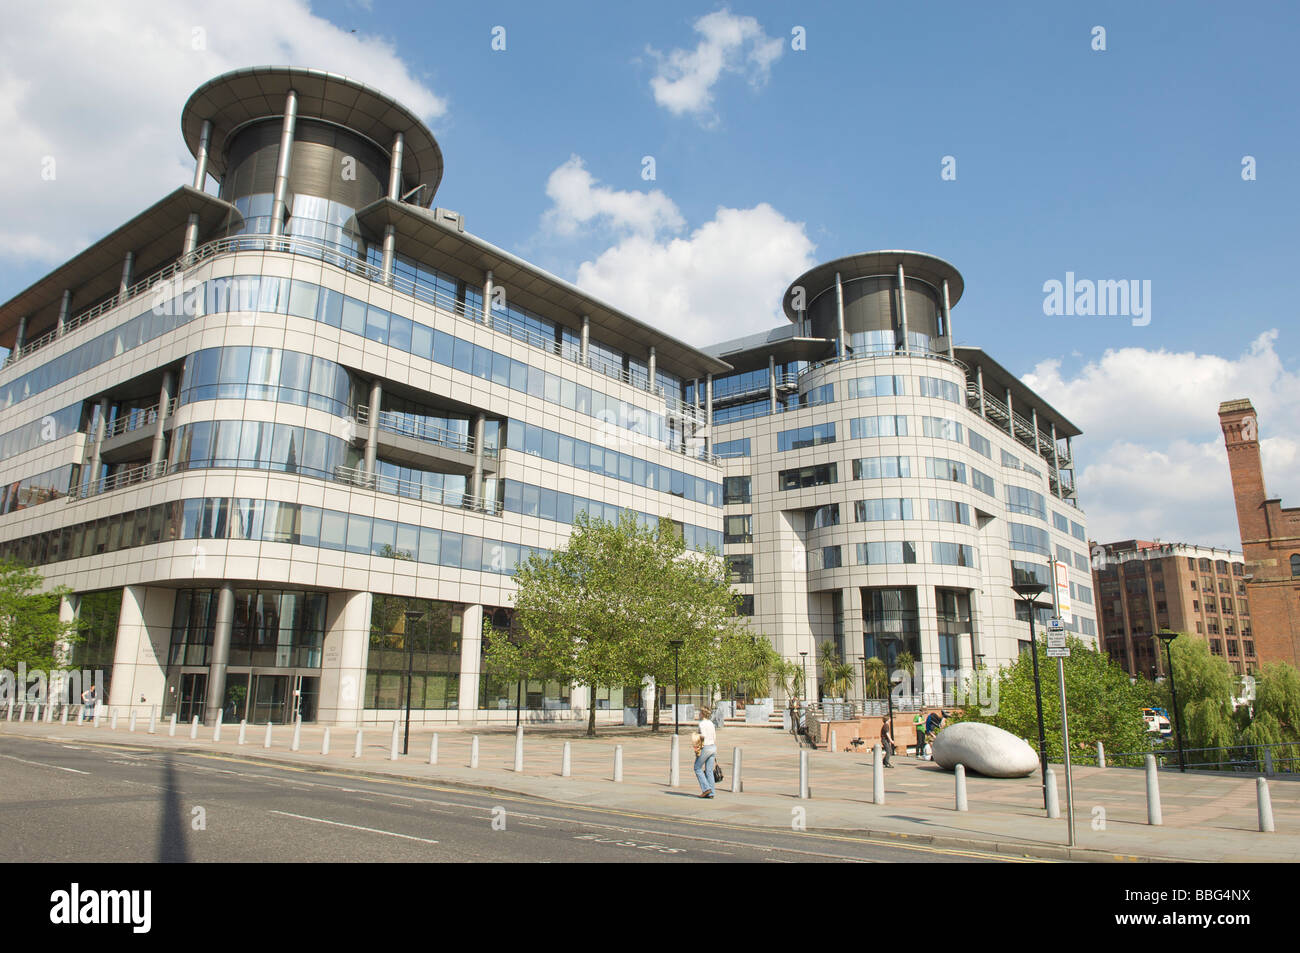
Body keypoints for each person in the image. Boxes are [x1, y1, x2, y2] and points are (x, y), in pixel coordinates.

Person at [693, 705, 718, 798]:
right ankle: (711, 793)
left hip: (705, 747)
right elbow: (714, 736)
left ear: (703, 714)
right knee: (709, 771)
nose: (699, 714)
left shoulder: (702, 724)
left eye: (700, 712)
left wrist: (698, 748)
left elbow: (702, 736)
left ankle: (706, 789)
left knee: (697, 767)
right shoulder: (711, 723)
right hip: (713, 747)